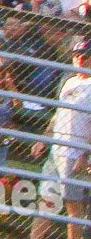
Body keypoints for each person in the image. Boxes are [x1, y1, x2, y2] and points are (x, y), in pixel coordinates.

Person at [36, 37, 91, 239]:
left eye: (85, 56)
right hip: (56, 150)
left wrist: (85, 156)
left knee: (73, 208)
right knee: (46, 203)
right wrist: (44, 138)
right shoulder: (70, 81)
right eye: (77, 56)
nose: (80, 60)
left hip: (75, 152)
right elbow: (58, 114)